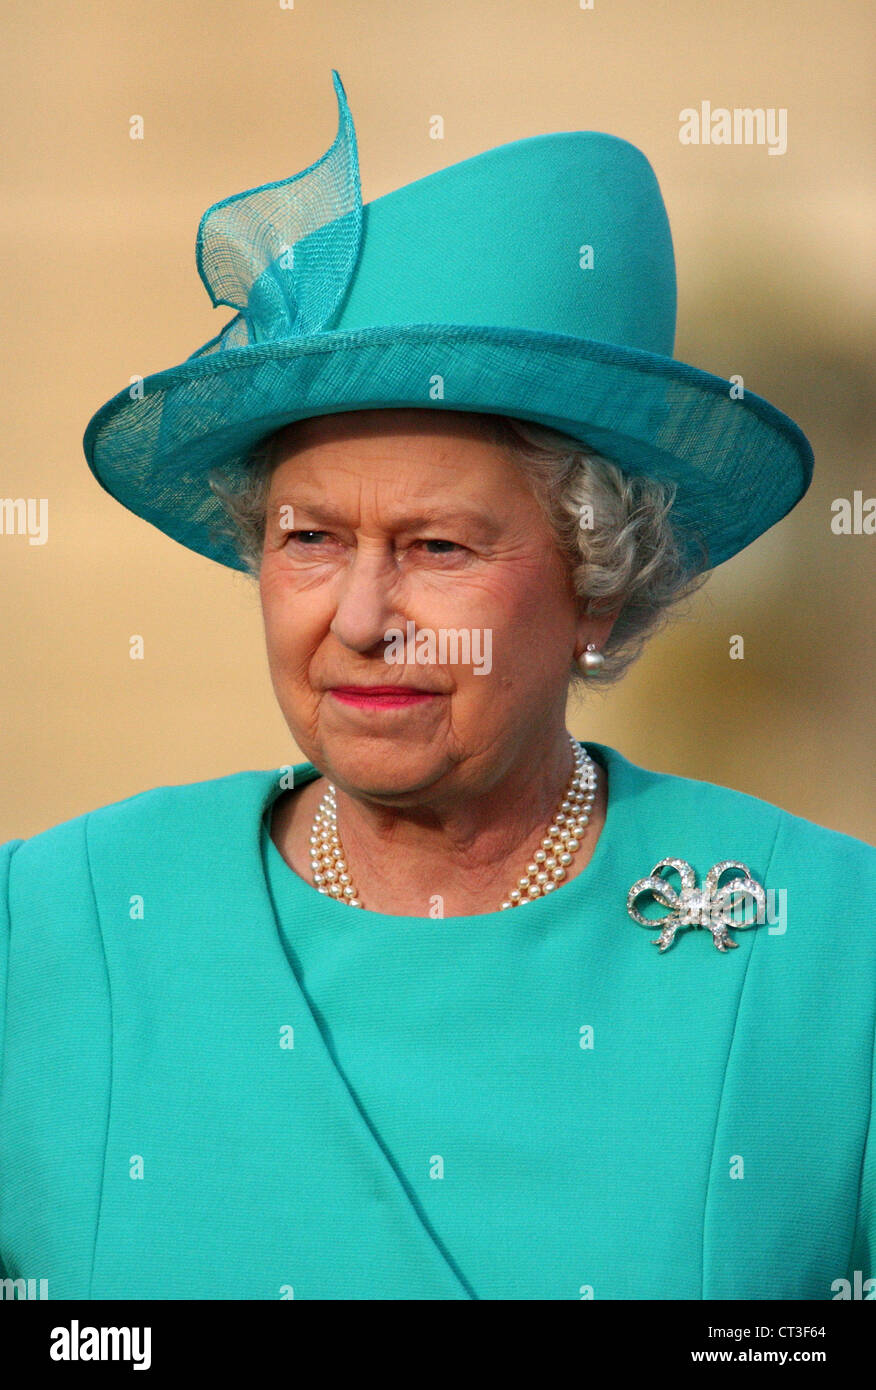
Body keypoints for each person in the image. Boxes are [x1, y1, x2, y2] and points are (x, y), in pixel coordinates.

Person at [1, 71, 873, 1302]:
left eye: (437, 549)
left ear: (600, 584)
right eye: (309, 540)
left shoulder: (827, 948)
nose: (360, 620)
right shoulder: (49, 928)